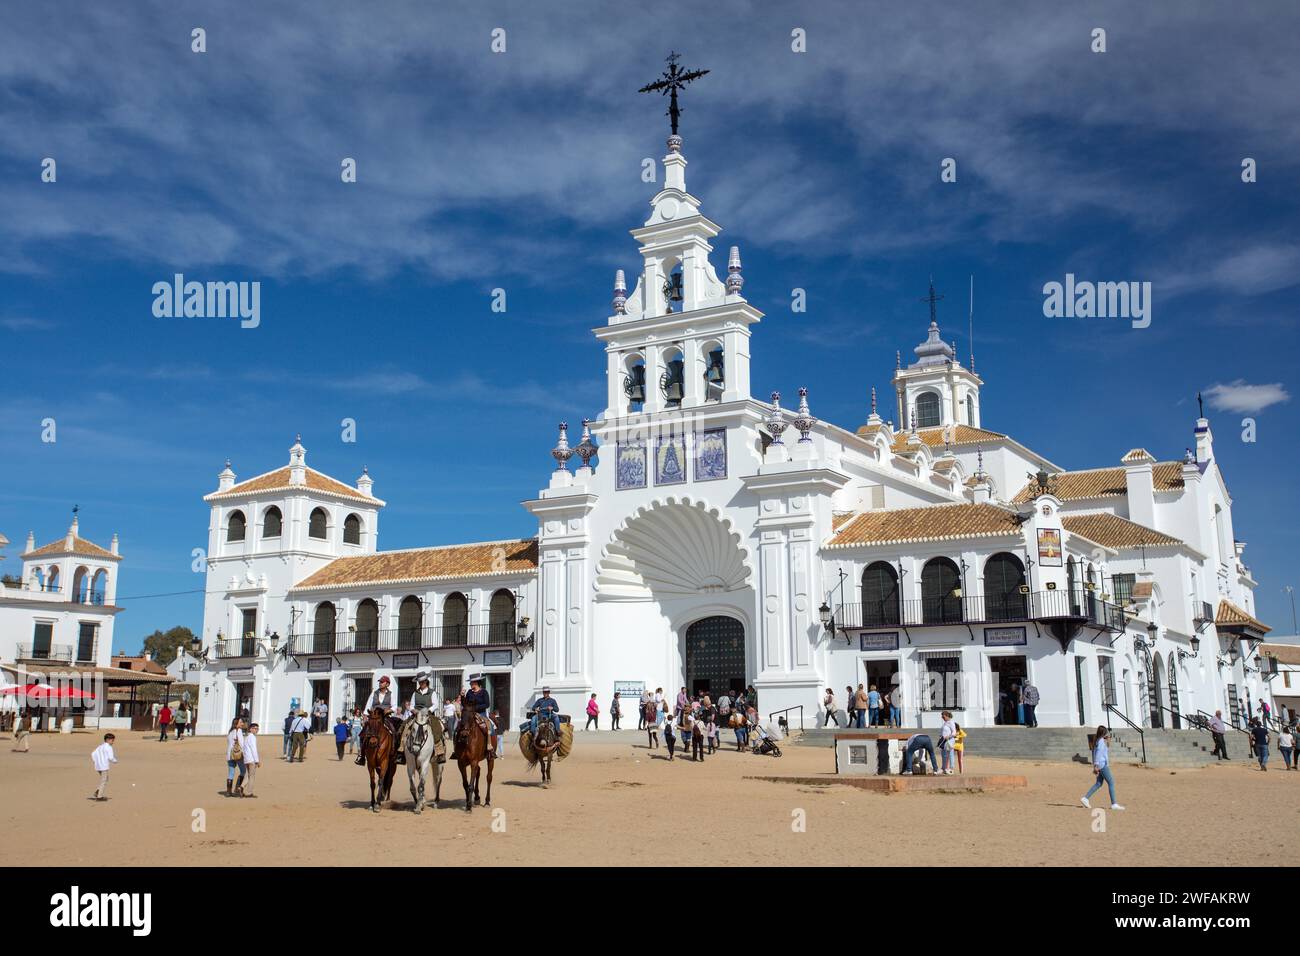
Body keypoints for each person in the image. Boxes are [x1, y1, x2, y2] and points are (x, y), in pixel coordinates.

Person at [1081, 726, 1124, 810]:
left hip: (1100, 764)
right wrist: (1096, 765)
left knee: (1099, 783)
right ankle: (1114, 804)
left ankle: (1085, 798)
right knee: (1111, 782)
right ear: (1103, 733)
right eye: (1106, 732)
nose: (1107, 734)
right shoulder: (1100, 741)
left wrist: (1107, 741)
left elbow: (1099, 752)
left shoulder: (1098, 740)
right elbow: (1099, 754)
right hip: (1102, 764)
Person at [90, 733, 117, 802]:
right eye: (112, 740)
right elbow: (111, 757)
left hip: (98, 766)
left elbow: (93, 754)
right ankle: (99, 796)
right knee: (104, 781)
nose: (113, 742)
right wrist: (115, 761)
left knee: (105, 779)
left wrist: (95, 761)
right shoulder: (109, 747)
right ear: (107, 740)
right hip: (103, 766)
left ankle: (97, 792)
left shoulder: (100, 746)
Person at [226, 718, 247, 797]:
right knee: (243, 771)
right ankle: (238, 788)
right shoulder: (239, 731)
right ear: (236, 723)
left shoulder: (230, 731)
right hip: (237, 754)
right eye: (241, 722)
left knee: (231, 773)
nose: (242, 724)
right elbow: (241, 743)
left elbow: (228, 742)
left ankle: (228, 792)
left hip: (230, 754)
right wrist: (245, 754)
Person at [242, 723, 261, 797]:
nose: (256, 730)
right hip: (252, 759)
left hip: (247, 759)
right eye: (255, 728)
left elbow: (244, 749)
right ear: (250, 729)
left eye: (257, 729)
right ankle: (249, 792)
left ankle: (241, 787)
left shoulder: (246, 737)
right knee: (252, 776)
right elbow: (254, 750)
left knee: (248, 775)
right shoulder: (252, 737)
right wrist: (257, 761)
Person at [938, 710, 957, 775]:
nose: (942, 718)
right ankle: (944, 767)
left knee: (950, 754)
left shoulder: (951, 722)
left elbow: (954, 732)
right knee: (943, 754)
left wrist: (949, 736)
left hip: (949, 740)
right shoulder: (945, 723)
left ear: (947, 716)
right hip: (943, 740)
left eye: (943, 716)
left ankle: (951, 768)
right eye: (942, 717)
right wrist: (941, 736)